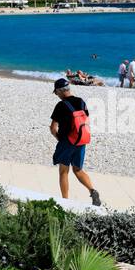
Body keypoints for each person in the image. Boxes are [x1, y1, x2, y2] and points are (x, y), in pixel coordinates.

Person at [49, 77, 102, 206]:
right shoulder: (81, 102)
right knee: (78, 170)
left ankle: (65, 201)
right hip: (81, 140)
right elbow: (85, 120)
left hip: (67, 141)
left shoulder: (61, 105)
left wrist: (59, 139)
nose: (57, 95)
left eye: (56, 92)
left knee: (63, 171)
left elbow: (53, 128)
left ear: (60, 91)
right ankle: (92, 190)